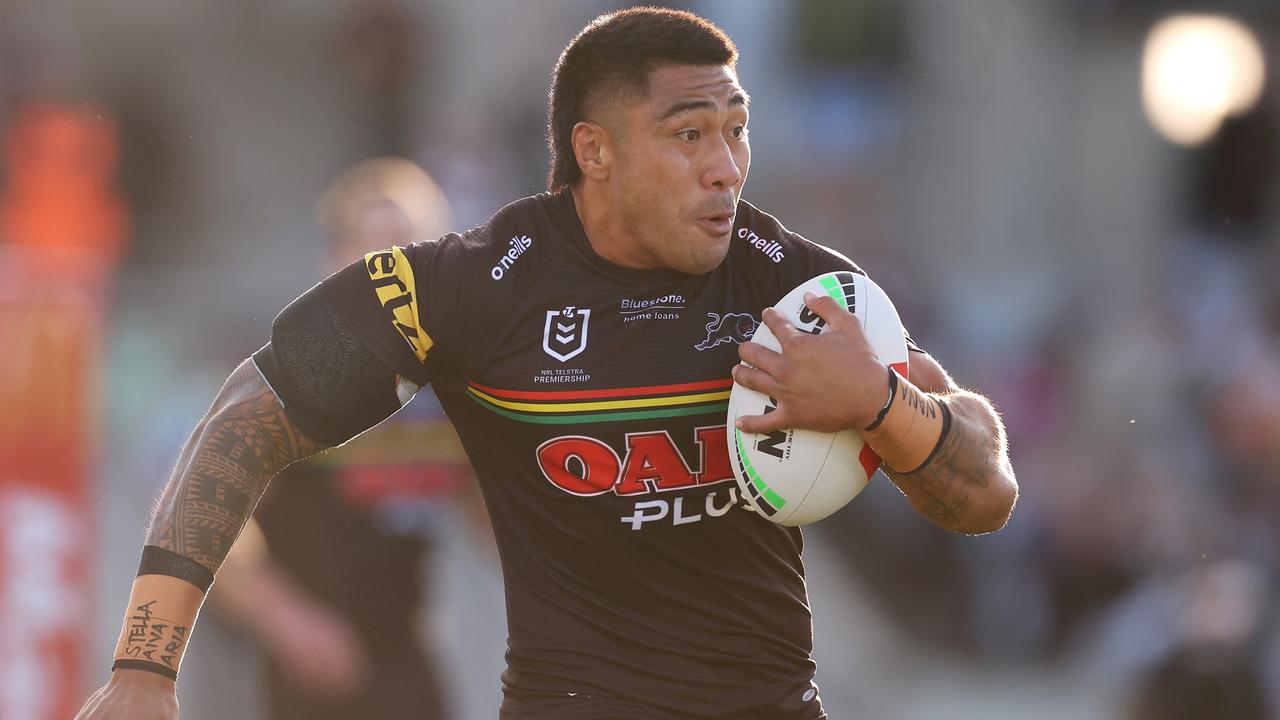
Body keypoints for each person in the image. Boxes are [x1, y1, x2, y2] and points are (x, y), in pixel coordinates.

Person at [76, 8, 1018, 719]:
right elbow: (246, 416)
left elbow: (985, 496)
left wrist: (888, 403)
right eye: (691, 134)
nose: (727, 165)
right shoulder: (476, 285)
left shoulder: (800, 289)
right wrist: (143, 668)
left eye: (736, 128)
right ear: (594, 151)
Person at [209, 158, 477, 719]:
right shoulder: (293, 381)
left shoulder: (457, 394)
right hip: (304, 680)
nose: (403, 271)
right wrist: (288, 620)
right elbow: (209, 526)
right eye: (380, 252)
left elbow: (497, 520)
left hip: (407, 672)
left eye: (420, 250)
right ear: (336, 265)